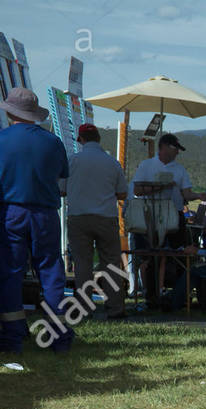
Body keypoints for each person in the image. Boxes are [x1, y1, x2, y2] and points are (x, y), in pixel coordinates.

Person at [0, 88, 71, 353]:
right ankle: (58, 337)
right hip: (45, 214)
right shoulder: (52, 142)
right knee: (51, 273)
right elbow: (62, 175)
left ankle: (12, 338)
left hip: (10, 213)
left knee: (10, 273)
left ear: (9, 112)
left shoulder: (2, 140)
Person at [132, 132, 206, 310]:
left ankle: (178, 296)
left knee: (180, 255)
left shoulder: (179, 169)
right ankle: (152, 297)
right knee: (152, 257)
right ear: (164, 148)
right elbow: (137, 190)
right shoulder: (147, 165)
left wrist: (199, 196)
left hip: (174, 216)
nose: (177, 153)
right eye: (175, 149)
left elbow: (187, 193)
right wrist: (160, 187)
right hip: (151, 216)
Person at [64, 122, 129, 321]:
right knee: (111, 264)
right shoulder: (111, 162)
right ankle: (115, 308)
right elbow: (122, 193)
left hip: (78, 217)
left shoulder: (72, 160)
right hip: (106, 217)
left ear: (80, 139)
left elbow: (61, 189)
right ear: (99, 139)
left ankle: (84, 308)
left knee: (82, 264)